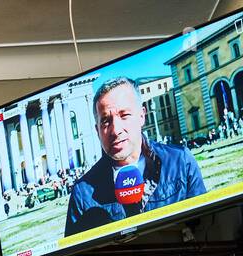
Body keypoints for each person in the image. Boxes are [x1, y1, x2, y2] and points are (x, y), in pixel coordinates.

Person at [64, 77, 207, 238]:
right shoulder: (83, 193)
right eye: (105, 121)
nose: (115, 130)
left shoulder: (180, 161)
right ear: (97, 130)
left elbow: (207, 227)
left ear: (141, 116)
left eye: (124, 115)